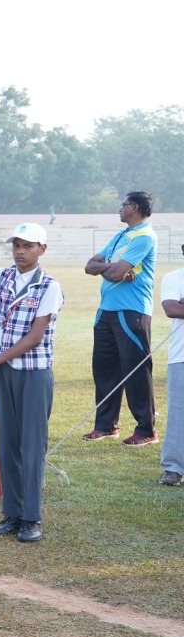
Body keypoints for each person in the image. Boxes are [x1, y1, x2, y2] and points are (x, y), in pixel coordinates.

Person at [0, 206, 62, 544]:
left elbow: (34, 338)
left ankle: (32, 518)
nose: (20, 251)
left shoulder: (49, 286)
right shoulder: (2, 277)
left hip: (32, 375)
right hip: (2, 374)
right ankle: (12, 514)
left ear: (41, 250)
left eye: (27, 246)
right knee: (8, 442)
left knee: (32, 445)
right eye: (16, 245)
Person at [84, 190, 158, 444]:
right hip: (107, 310)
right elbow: (89, 266)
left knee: (136, 369)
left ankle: (146, 430)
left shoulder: (144, 236)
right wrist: (110, 268)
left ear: (135, 207)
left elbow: (116, 274)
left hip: (132, 309)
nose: (120, 207)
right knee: (105, 369)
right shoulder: (121, 236)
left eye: (124, 204)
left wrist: (110, 270)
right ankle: (106, 425)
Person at [158, 244, 184, 487]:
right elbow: (171, 308)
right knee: (178, 413)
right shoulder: (174, 278)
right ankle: (173, 469)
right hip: (181, 356)